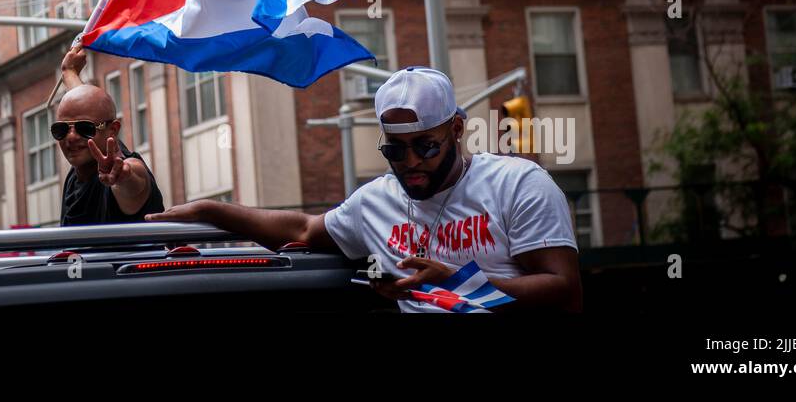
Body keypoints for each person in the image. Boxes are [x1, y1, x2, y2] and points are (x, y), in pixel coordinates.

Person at [149, 66, 582, 311]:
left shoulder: (518, 184)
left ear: (456, 129)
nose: (410, 163)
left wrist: (463, 283)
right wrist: (211, 210)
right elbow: (301, 230)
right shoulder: (376, 200)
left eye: (426, 147)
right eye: (395, 150)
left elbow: (566, 295)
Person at [54, 45, 164, 225]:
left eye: (85, 128)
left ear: (113, 130)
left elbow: (133, 183)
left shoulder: (119, 167)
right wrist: (69, 73)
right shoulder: (76, 174)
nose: (71, 137)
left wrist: (124, 177)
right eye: (61, 129)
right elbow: (88, 106)